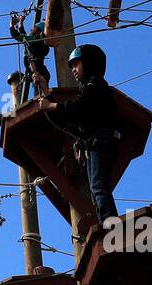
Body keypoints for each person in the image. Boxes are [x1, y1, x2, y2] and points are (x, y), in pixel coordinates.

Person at [37, 44, 120, 221]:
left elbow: (77, 108)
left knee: (98, 186)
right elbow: (73, 120)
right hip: (95, 143)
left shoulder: (95, 86)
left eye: (76, 65)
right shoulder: (90, 89)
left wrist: (51, 105)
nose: (74, 70)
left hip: (102, 142)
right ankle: (106, 222)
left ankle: (109, 225)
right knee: (96, 188)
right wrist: (46, 91)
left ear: (90, 63)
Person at [9, 13, 51, 97]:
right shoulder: (39, 41)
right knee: (42, 86)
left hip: (36, 70)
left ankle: (41, 101)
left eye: (34, 29)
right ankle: (44, 98)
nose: (31, 30)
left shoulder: (35, 40)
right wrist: (21, 23)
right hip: (39, 69)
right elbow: (25, 35)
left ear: (39, 32)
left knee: (39, 88)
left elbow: (16, 35)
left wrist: (11, 25)